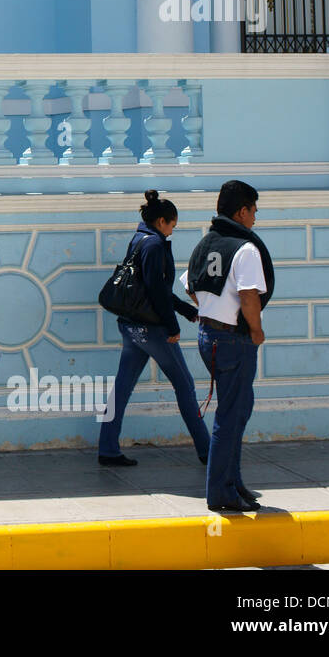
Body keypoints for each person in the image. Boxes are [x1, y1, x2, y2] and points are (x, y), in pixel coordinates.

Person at [181, 180, 275, 514]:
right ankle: (220, 492)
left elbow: (189, 285)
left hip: (209, 337)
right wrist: (257, 330)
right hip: (234, 339)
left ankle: (234, 483)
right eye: (253, 211)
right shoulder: (245, 249)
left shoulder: (205, 244)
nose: (255, 219)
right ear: (242, 210)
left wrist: (210, 311)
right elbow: (249, 296)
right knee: (230, 417)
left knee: (238, 411)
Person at [98, 190, 208, 468]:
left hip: (130, 327)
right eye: (172, 226)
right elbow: (157, 290)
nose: (173, 231)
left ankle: (108, 448)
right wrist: (173, 324)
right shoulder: (154, 245)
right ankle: (208, 450)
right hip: (152, 329)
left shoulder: (138, 240)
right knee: (185, 385)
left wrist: (185, 310)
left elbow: (149, 288)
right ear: (161, 221)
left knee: (121, 388)